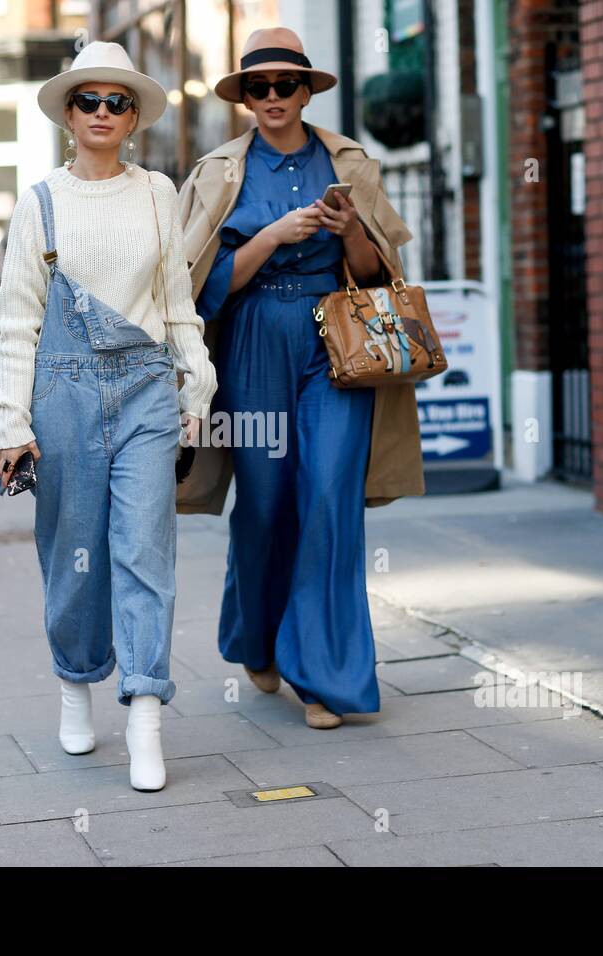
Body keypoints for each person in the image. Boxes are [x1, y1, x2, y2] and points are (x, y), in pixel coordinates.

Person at [177, 28, 424, 728]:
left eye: (287, 84)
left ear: (308, 88)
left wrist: (348, 231)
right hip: (253, 342)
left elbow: (379, 281)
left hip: (338, 342)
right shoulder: (220, 169)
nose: (274, 97)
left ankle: (320, 676)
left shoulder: (348, 161)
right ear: (246, 96)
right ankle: (257, 638)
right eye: (259, 86)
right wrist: (272, 236)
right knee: (264, 504)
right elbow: (203, 288)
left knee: (330, 497)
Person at [0, 41, 217, 791]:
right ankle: (74, 682)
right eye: (89, 101)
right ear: (67, 113)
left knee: (145, 551)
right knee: (72, 554)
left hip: (148, 385)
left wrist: (197, 384)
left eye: (117, 102)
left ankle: (146, 712)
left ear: (133, 117)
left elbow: (178, 300)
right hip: (61, 391)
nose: (102, 113)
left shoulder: (158, 191)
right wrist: (10, 422)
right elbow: (18, 323)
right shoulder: (40, 204)